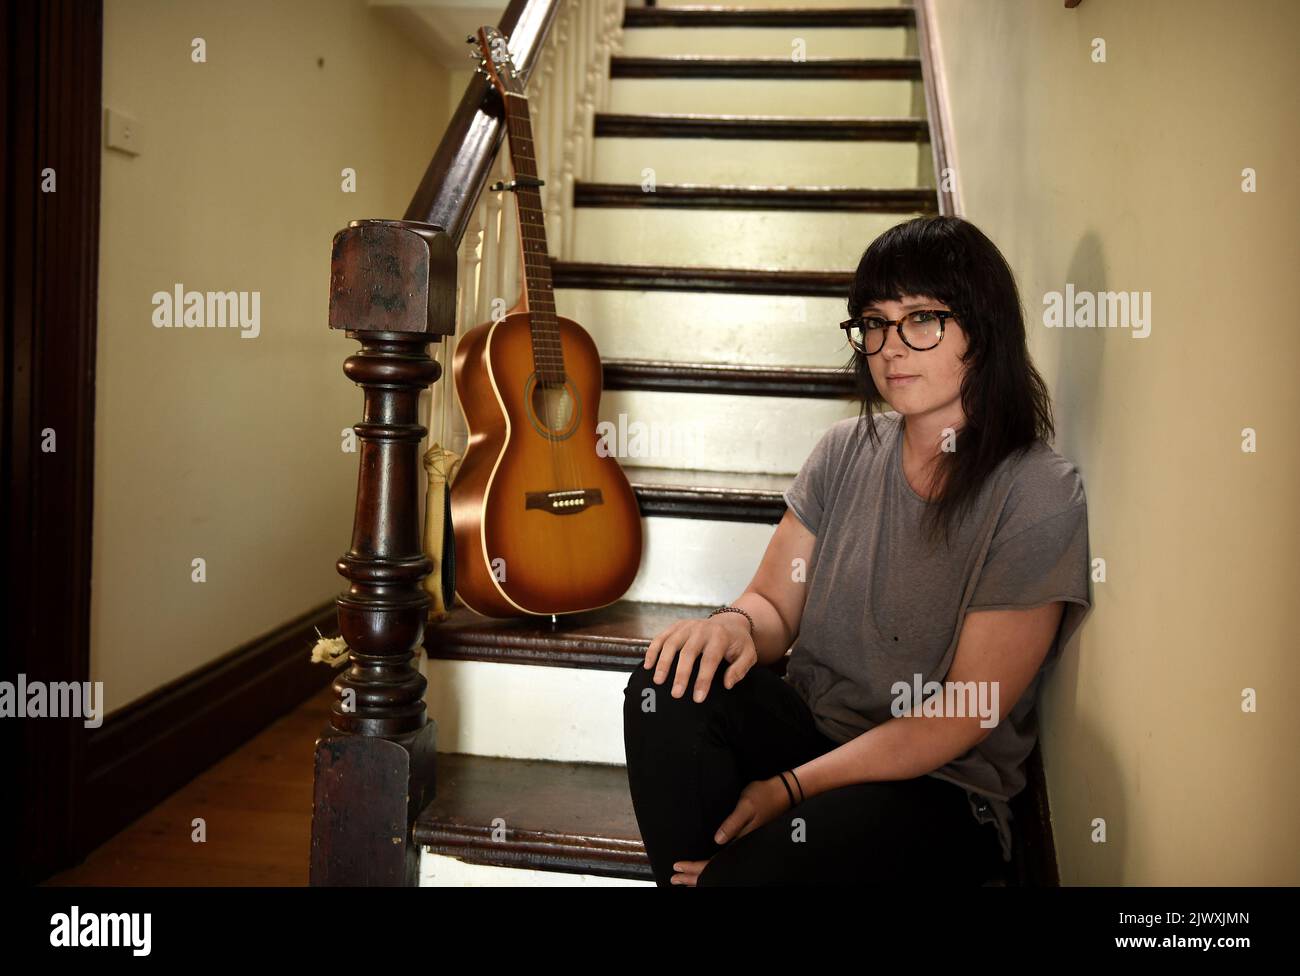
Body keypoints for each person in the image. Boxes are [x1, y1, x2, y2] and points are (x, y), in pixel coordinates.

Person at [622, 214, 1093, 886]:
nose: (890, 347)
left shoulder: (1038, 492)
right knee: (666, 683)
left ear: (982, 333)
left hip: (939, 788)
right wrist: (729, 626)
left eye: (922, 318)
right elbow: (772, 608)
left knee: (751, 878)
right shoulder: (845, 450)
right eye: (873, 322)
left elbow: (963, 712)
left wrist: (789, 790)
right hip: (817, 731)